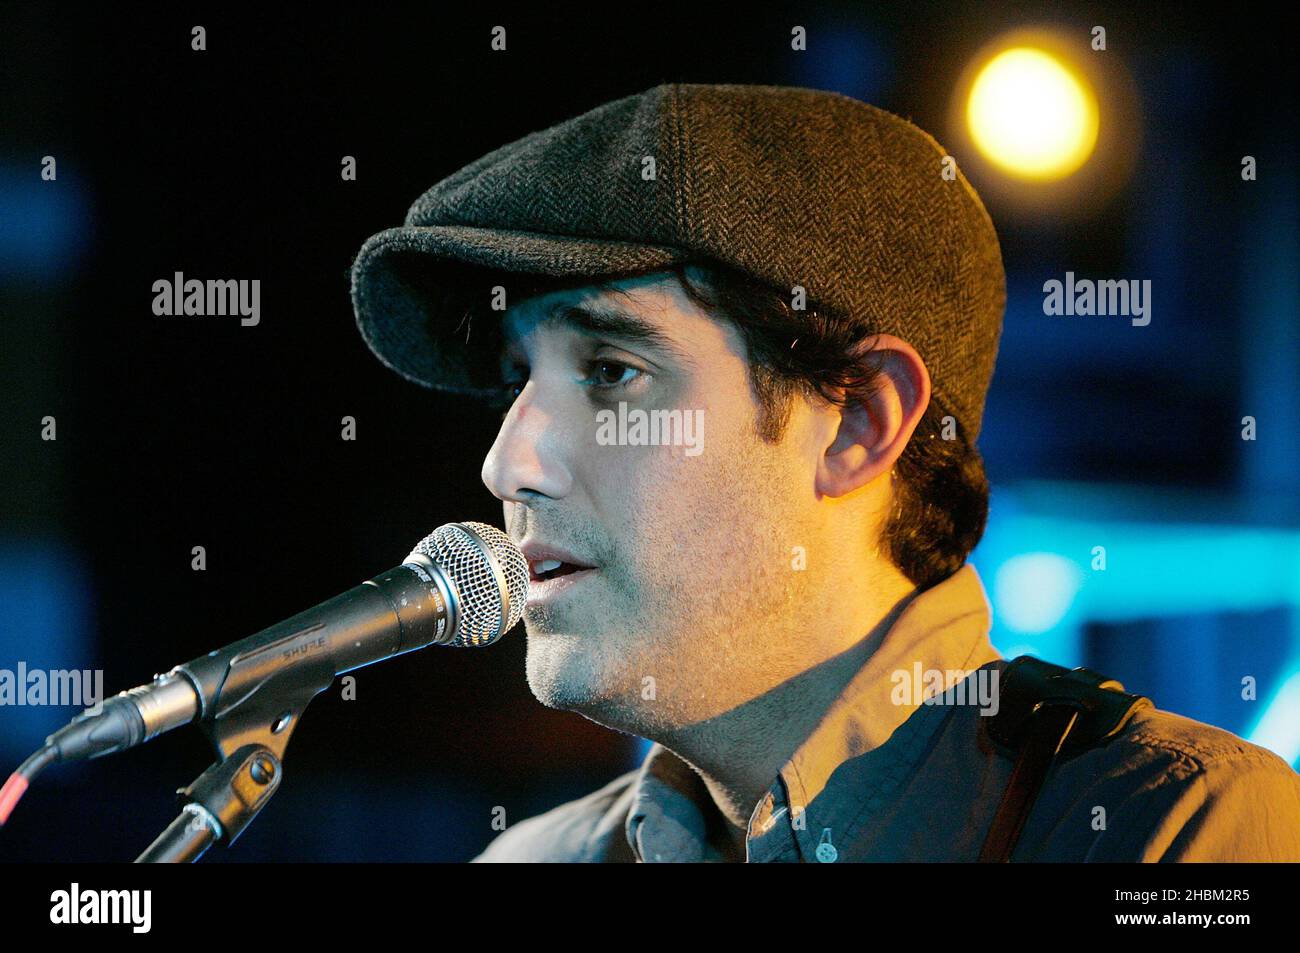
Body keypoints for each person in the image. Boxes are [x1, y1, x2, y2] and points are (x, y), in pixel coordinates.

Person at [349, 83, 1300, 862]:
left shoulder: (1173, 829)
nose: (507, 461)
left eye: (612, 372)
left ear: (859, 422)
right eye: (519, 381)